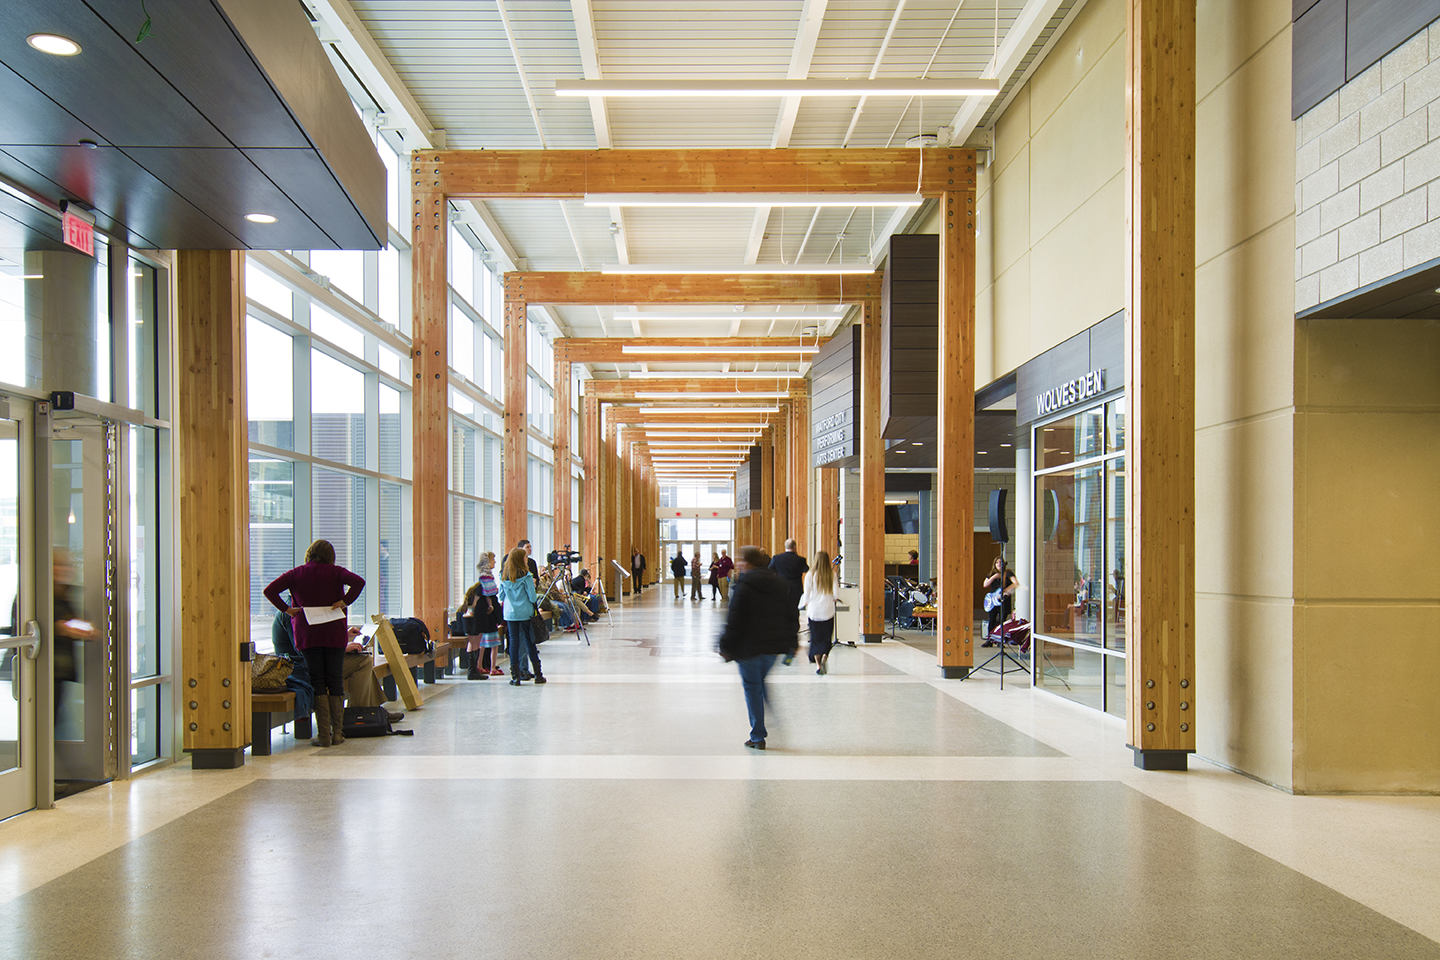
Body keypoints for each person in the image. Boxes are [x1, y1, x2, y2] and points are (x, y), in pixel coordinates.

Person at [263, 539, 365, 747]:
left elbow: (269, 591)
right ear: (331, 556)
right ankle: (338, 733)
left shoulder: (295, 573)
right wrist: (345, 601)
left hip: (308, 633)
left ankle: (323, 736)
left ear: (309, 554)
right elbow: (359, 582)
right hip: (334, 632)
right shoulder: (336, 572)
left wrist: (287, 609)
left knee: (318, 681)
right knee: (334, 679)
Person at [717, 545, 798, 750]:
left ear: (748, 562)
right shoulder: (779, 584)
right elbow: (791, 615)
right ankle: (767, 718)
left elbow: (734, 620)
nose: (738, 564)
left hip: (748, 648)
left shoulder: (743, 586)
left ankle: (758, 735)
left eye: (741, 560)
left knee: (752, 688)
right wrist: (792, 643)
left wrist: (725, 646)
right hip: (772, 648)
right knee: (759, 683)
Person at [498, 547, 544, 685]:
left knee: (513, 643)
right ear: (520, 559)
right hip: (525, 612)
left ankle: (515, 677)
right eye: (525, 557)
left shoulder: (504, 576)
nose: (527, 559)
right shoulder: (527, 576)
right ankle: (538, 675)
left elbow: (501, 596)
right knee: (530, 642)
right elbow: (532, 597)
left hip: (510, 614)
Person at [798, 550, 838, 675]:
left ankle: (818, 664)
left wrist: (804, 603)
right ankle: (825, 655)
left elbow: (807, 595)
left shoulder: (810, 575)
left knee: (815, 638)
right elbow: (836, 595)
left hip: (814, 611)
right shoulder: (832, 575)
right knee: (826, 637)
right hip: (828, 611)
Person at [982, 556, 1020, 643]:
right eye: (997, 562)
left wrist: (1006, 590)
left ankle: (1000, 640)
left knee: (1002, 621)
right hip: (993, 600)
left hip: (1004, 600)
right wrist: (995, 576)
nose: (999, 564)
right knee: (992, 620)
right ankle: (990, 640)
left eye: (1001, 562)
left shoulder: (1008, 573)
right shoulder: (992, 573)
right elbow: (985, 584)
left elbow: (1016, 583)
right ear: (994, 564)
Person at [768, 538, 809, 614]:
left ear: (785, 547)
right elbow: (806, 569)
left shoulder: (776, 558)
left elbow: (769, 570)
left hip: (781, 587)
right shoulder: (800, 560)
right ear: (795, 547)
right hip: (796, 588)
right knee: (794, 610)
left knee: (782, 609)